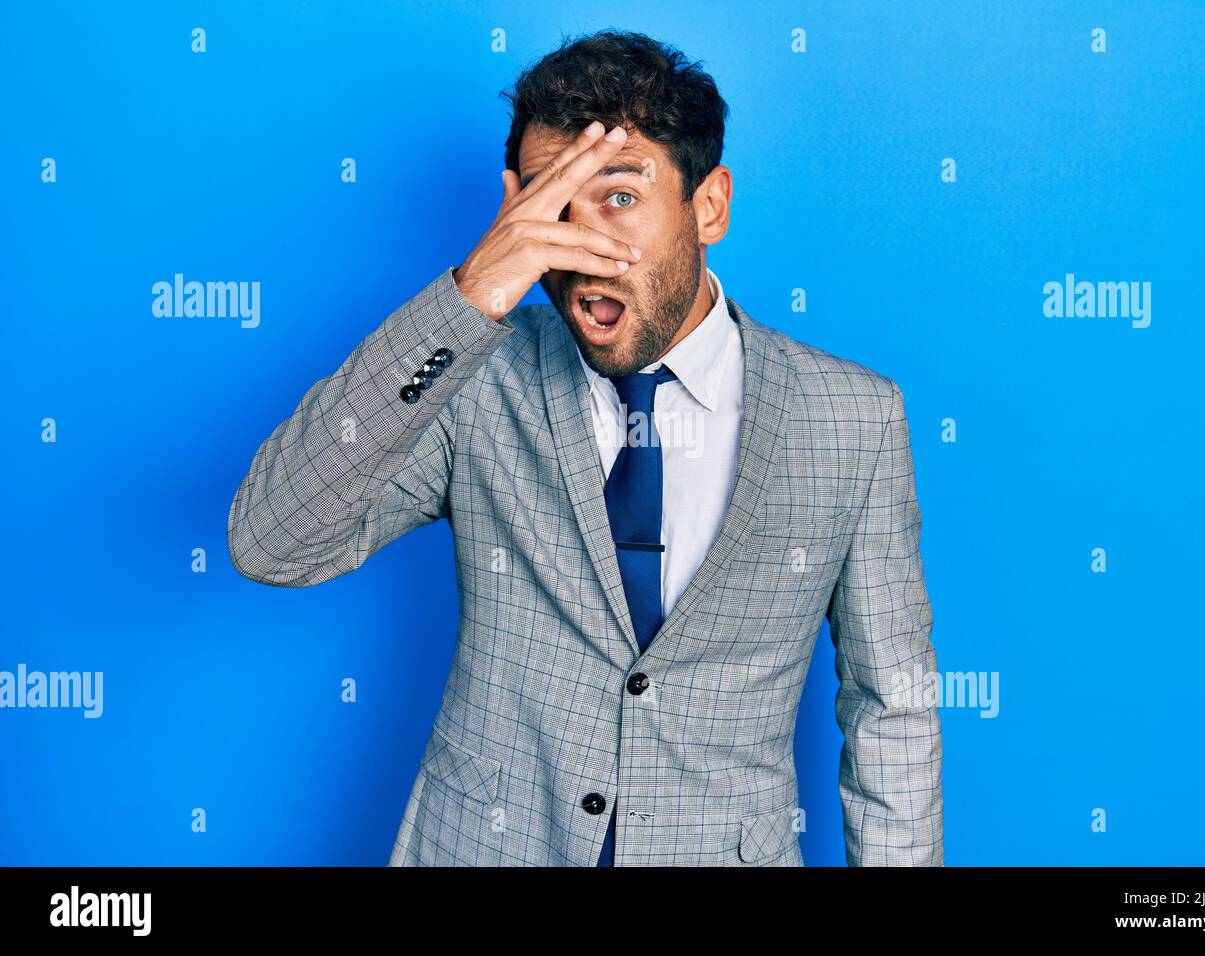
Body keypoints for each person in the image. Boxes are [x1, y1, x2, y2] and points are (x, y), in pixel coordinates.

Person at [227, 29, 942, 867]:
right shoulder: (476, 377)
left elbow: (892, 706)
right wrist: (469, 300)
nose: (581, 244)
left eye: (620, 197)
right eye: (551, 202)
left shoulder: (854, 419)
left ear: (708, 207)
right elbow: (271, 541)